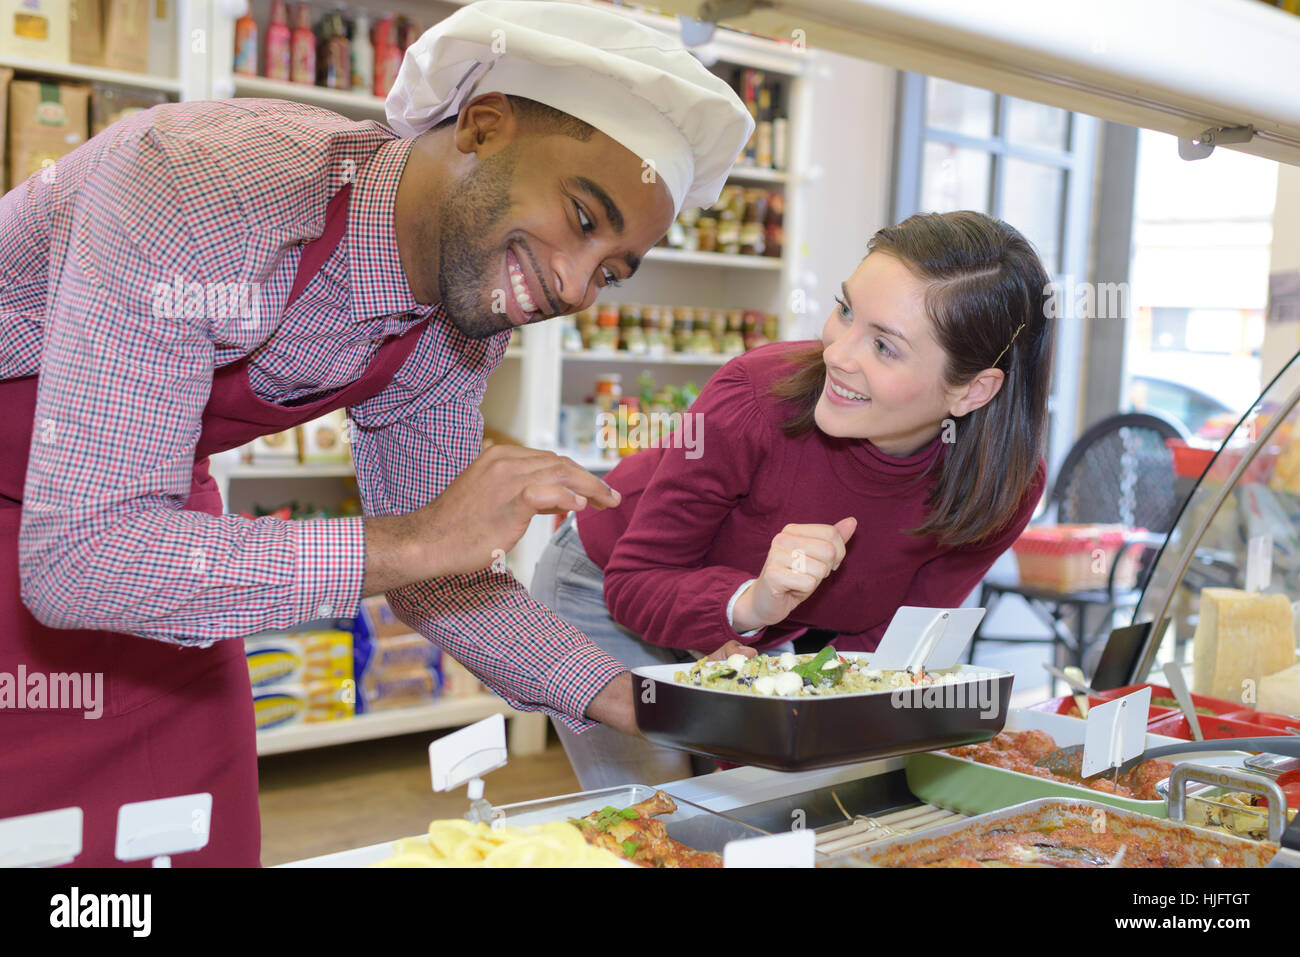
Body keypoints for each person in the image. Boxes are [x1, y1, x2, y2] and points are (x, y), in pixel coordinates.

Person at [0, 0, 751, 866]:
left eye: (613, 271)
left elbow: (439, 573)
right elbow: (79, 561)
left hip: (154, 530)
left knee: (186, 839)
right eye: (582, 219)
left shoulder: (461, 322)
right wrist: (414, 540)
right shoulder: (198, 186)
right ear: (481, 126)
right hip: (94, 538)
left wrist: (645, 699)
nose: (576, 287)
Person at [531, 210, 1054, 790]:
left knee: (758, 805)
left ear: (971, 389)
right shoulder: (754, 395)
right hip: (604, 589)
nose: (837, 353)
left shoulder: (1001, 487)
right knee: (659, 818)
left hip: (762, 639)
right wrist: (754, 604)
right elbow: (636, 581)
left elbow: (883, 648)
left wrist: (786, 717)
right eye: (847, 310)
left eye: (884, 346)